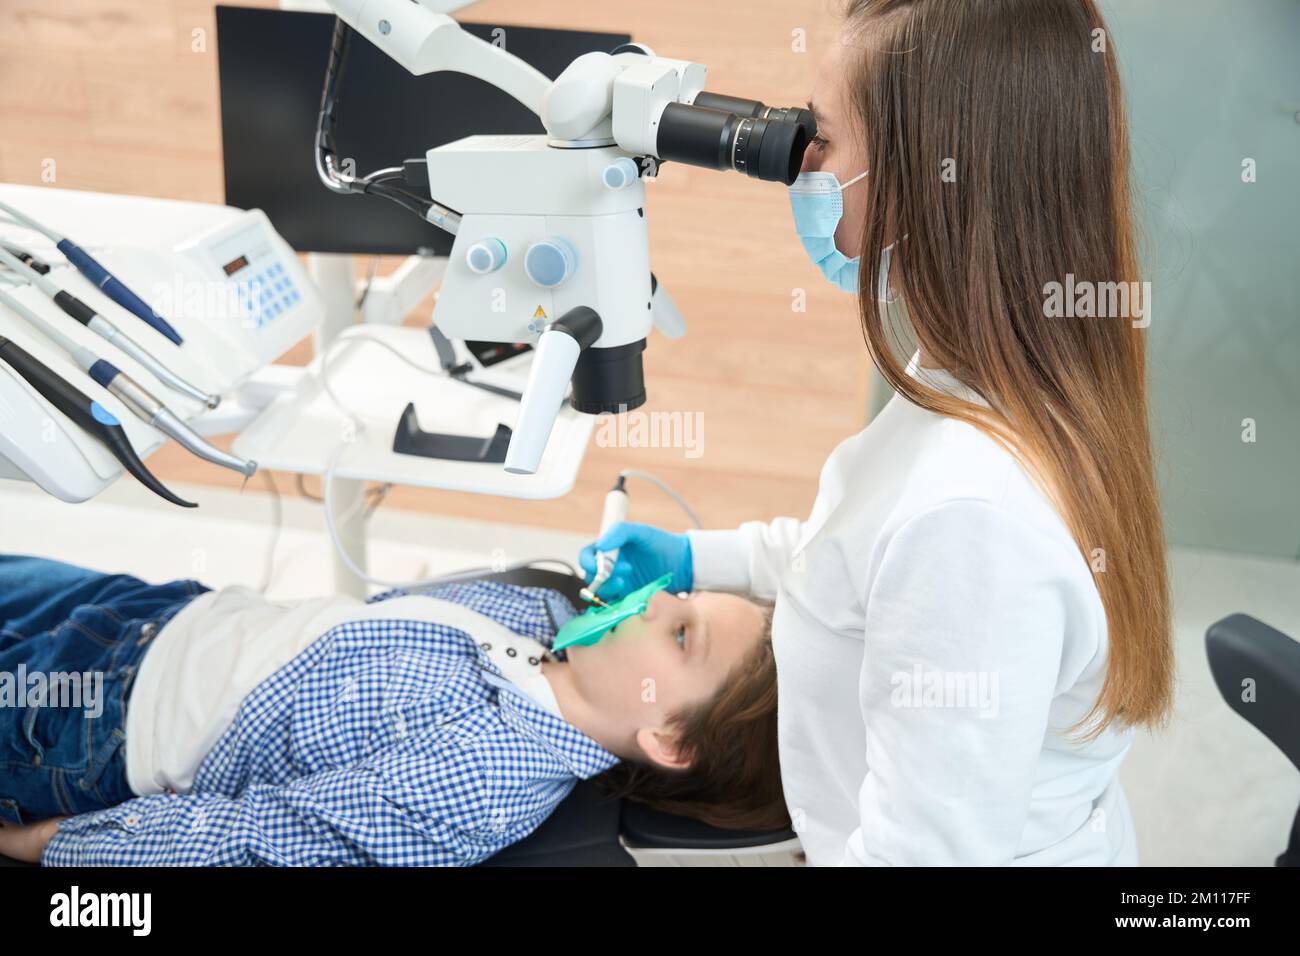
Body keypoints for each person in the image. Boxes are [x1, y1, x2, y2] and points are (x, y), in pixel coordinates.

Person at [582, 0, 1172, 865]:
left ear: (935, 180)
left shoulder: (971, 515)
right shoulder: (998, 376)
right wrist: (700, 560)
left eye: (820, 139)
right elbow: (866, 565)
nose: (800, 165)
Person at [0, 555, 784, 865]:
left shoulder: (480, 782)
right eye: (676, 596)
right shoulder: (540, 613)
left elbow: (252, 843)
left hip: (86, 732)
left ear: (669, 739)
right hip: (159, 614)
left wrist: (43, 845)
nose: (653, 603)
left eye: (681, 632)